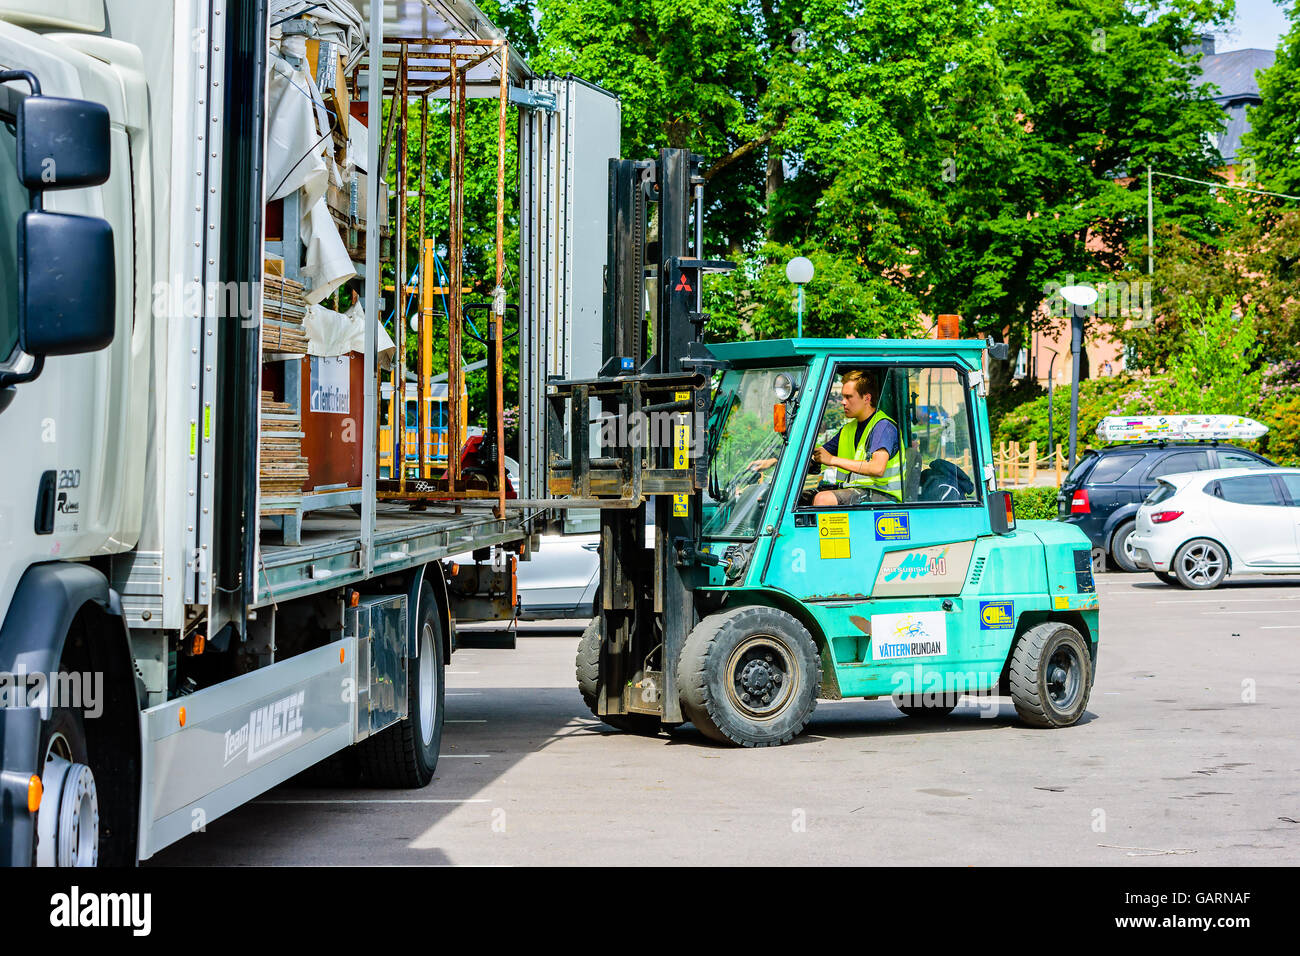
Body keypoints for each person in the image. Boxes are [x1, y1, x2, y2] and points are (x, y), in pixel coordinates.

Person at [811, 369, 901, 505]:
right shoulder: (848, 429)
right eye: (843, 397)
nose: (843, 402)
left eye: (848, 397)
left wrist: (832, 460)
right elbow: (821, 453)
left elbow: (877, 468)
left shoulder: (883, 427)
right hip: (856, 492)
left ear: (867, 398)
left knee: (823, 499)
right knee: (800, 499)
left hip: (881, 496)